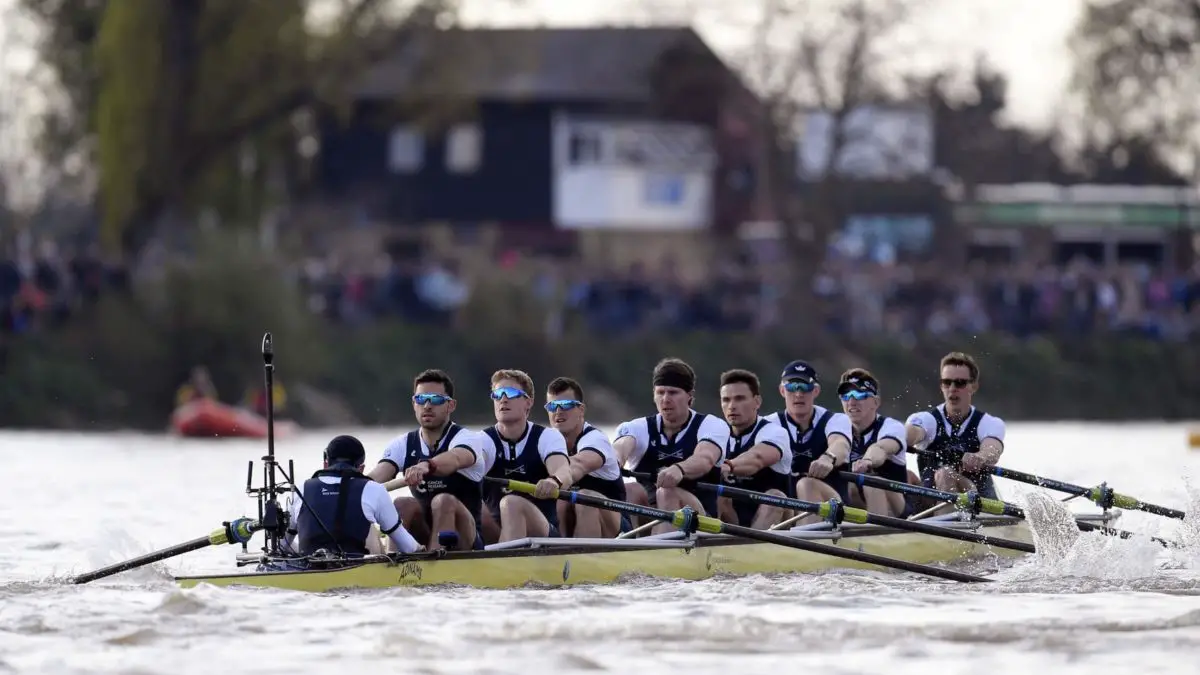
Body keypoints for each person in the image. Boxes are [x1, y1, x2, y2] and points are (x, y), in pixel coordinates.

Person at [369, 369, 492, 551]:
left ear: (451, 405)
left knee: (443, 501)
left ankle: (435, 565)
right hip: (425, 534)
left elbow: (456, 458)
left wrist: (427, 465)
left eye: (435, 399)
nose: (427, 405)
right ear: (414, 404)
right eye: (421, 399)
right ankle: (392, 562)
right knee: (401, 504)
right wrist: (349, 484)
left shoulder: (467, 438)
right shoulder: (403, 444)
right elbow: (377, 476)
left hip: (467, 539)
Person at [614, 357, 730, 535]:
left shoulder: (711, 425)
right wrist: (614, 460)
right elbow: (620, 447)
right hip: (650, 516)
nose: (665, 399)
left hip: (700, 521)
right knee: (630, 490)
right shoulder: (637, 427)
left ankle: (659, 554)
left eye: (673, 393)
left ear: (690, 396)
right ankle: (629, 546)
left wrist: (679, 469)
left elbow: (705, 458)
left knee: (667, 493)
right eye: (660, 392)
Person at [284, 434, 422, 556]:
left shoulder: (301, 489)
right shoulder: (373, 489)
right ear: (361, 468)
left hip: (307, 569)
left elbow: (284, 545)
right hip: (357, 569)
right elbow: (408, 547)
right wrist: (425, 551)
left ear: (326, 464)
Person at [904, 352, 1006, 513]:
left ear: (973, 386)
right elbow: (909, 434)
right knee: (904, 475)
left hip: (980, 505)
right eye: (947, 382)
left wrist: (980, 457)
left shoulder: (988, 423)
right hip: (931, 501)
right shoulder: (927, 420)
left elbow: (992, 449)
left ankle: (947, 528)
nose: (952, 389)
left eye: (960, 383)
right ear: (941, 386)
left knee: (945, 474)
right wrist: (896, 442)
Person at [479, 369, 570, 543]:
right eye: (497, 394)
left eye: (511, 393)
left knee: (511, 503)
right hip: (496, 528)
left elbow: (563, 470)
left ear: (528, 402)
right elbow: (473, 466)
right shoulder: (483, 440)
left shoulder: (547, 436)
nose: (503, 399)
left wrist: (554, 481)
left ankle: (503, 565)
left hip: (542, 534)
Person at [535, 376, 627, 538]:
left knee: (584, 497)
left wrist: (555, 479)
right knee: (561, 501)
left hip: (618, 530)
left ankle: (582, 558)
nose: (558, 411)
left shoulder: (595, 439)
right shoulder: (544, 441)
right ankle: (557, 552)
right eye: (552, 406)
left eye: (566, 405)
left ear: (581, 410)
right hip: (569, 517)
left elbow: (578, 464)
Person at [771, 360, 853, 525]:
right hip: (790, 509)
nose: (799, 394)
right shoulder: (770, 424)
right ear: (782, 390)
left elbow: (841, 444)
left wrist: (828, 458)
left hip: (833, 509)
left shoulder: (836, 420)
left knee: (806, 484)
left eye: (805, 387)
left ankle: (808, 538)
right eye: (792, 387)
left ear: (816, 391)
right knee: (773, 495)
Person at [717, 369, 793, 528]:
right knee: (719, 496)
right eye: (726, 400)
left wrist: (730, 466)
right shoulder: (715, 434)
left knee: (775, 496)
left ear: (757, 402)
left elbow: (757, 458)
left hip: (776, 522)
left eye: (739, 399)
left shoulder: (775, 432)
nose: (731, 406)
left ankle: (752, 548)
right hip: (732, 520)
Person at [838, 368, 910, 517]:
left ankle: (877, 534)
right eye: (846, 396)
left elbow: (881, 448)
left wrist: (868, 460)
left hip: (897, 508)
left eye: (859, 395)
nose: (852, 401)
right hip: (858, 503)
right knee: (846, 484)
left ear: (876, 402)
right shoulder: (836, 429)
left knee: (870, 481)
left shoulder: (891, 426)